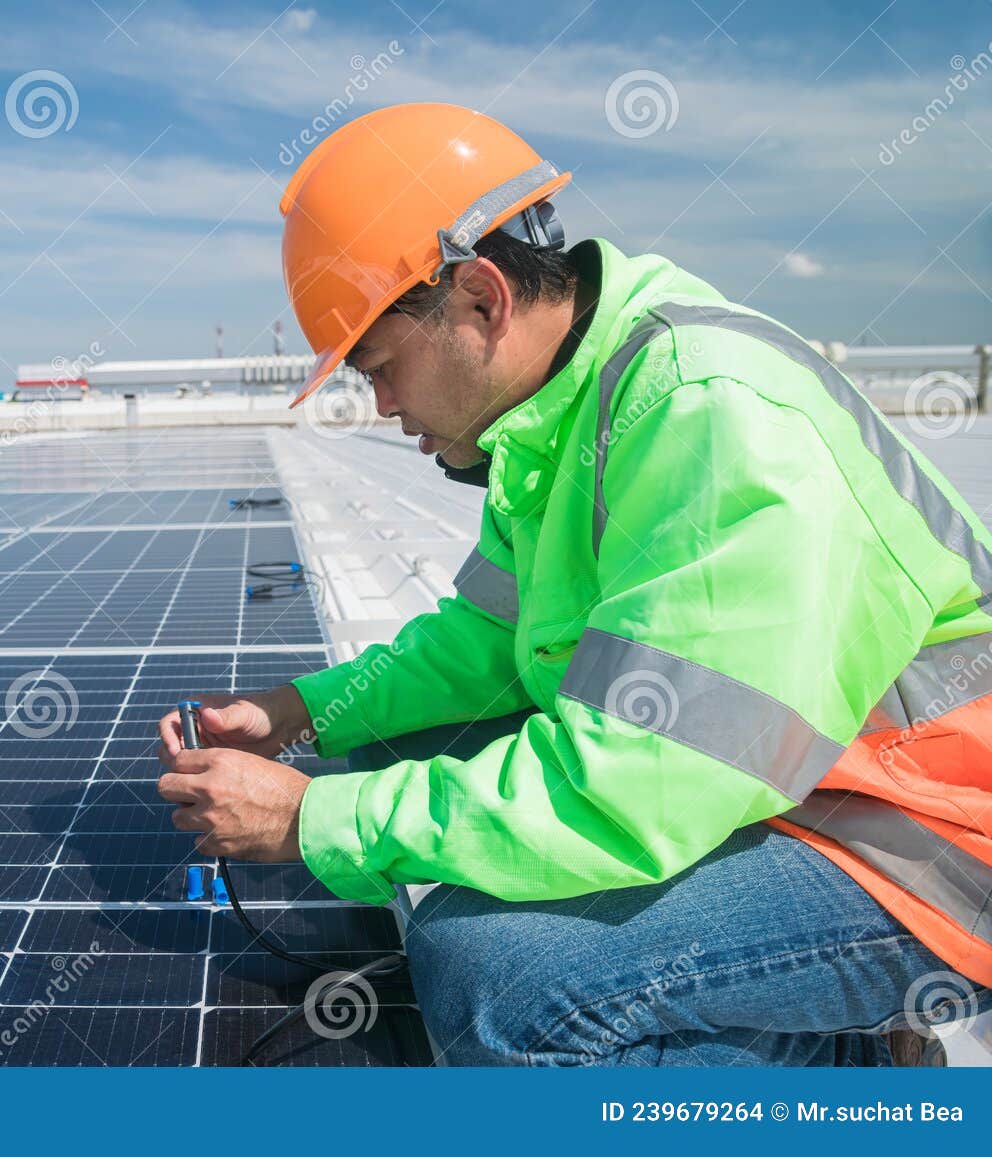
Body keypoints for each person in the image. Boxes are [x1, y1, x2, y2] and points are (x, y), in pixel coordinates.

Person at [156, 102, 992, 1066]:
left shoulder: (710, 416)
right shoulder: (559, 415)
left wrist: (311, 818)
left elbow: (640, 785)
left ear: (481, 299)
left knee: (494, 979)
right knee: (402, 752)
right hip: (790, 782)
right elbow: (486, 647)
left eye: (381, 367)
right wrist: (299, 712)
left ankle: (853, 1070)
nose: (381, 407)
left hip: (921, 839)